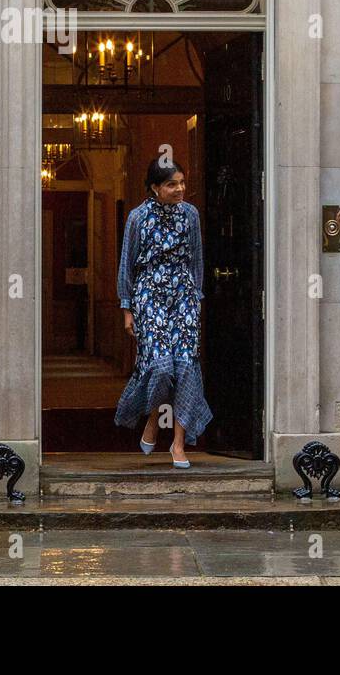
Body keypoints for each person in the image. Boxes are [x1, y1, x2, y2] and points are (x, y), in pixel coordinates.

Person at [115, 158, 213, 468]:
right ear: (155, 188)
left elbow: (197, 259)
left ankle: (178, 445)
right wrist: (126, 307)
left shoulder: (190, 215)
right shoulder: (137, 218)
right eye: (172, 184)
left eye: (182, 182)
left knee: (185, 366)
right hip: (149, 294)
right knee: (160, 367)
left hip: (183, 294)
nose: (180, 189)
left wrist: (196, 299)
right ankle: (153, 421)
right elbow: (126, 264)